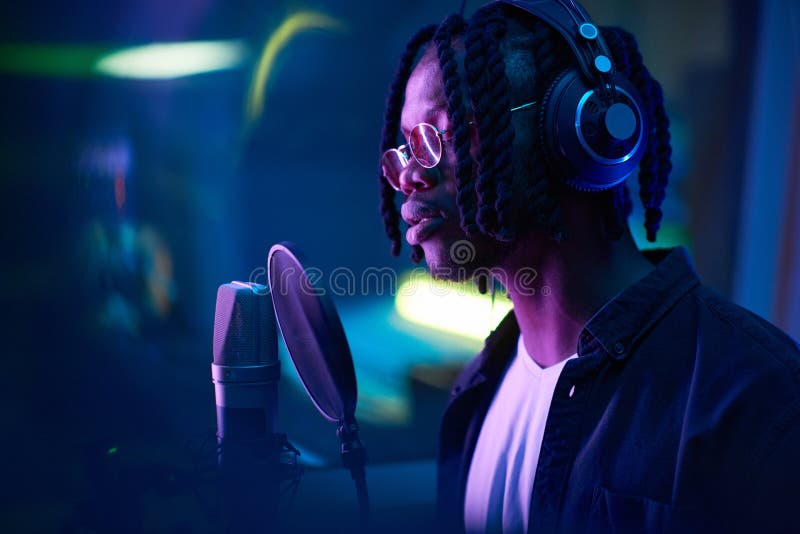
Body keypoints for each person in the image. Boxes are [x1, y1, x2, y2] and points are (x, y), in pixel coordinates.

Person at [376, 1, 800, 533]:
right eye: (404, 149)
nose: (408, 177)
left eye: (438, 137)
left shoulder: (755, 403)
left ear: (573, 134)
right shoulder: (477, 391)